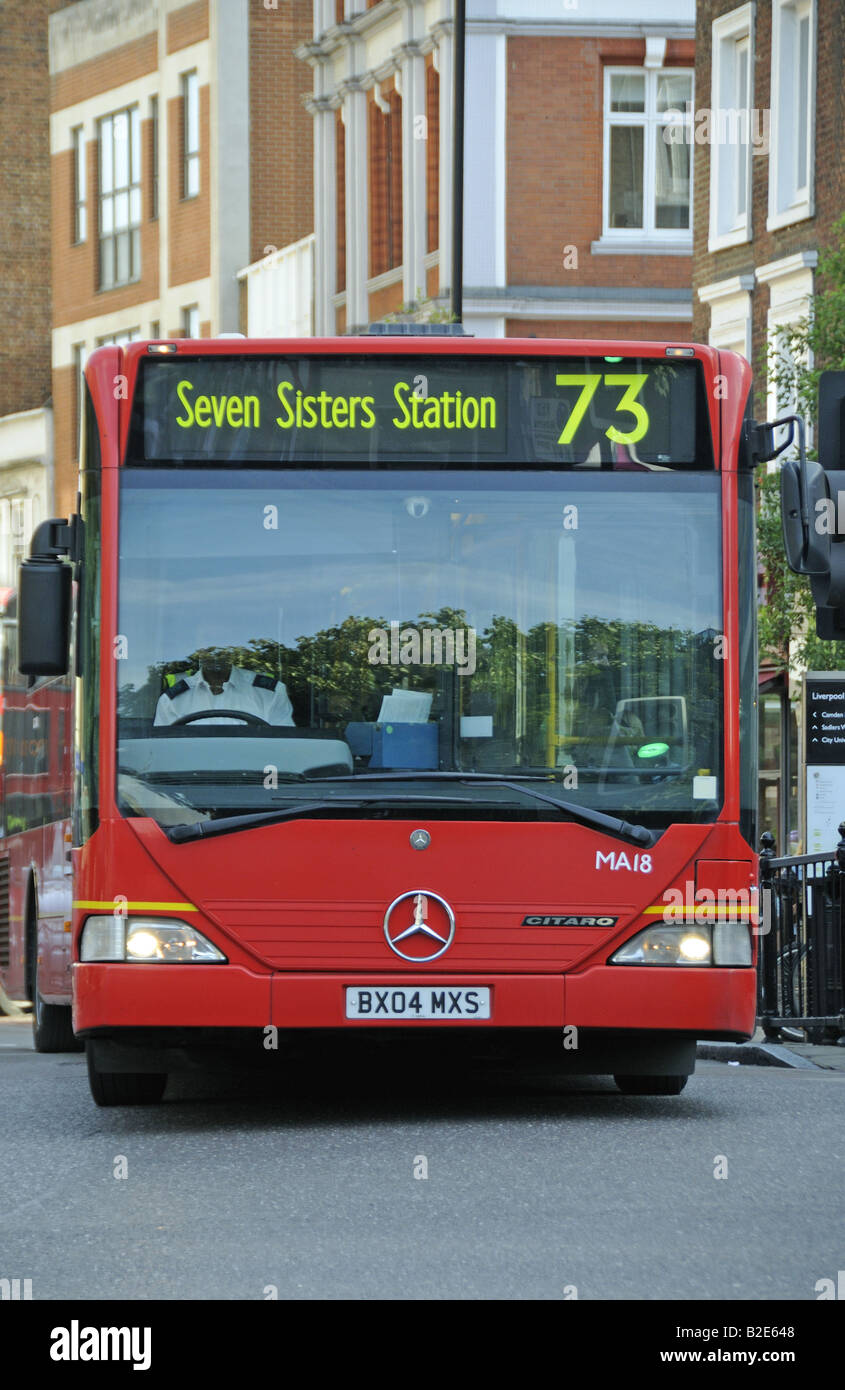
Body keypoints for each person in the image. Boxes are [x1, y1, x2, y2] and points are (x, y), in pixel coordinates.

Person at [154, 644, 295, 727]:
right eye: (208, 645)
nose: (215, 653)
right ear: (197, 648)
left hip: (254, 776)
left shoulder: (270, 694)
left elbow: (283, 749)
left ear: (233, 649)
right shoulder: (172, 701)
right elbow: (162, 753)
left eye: (221, 646)